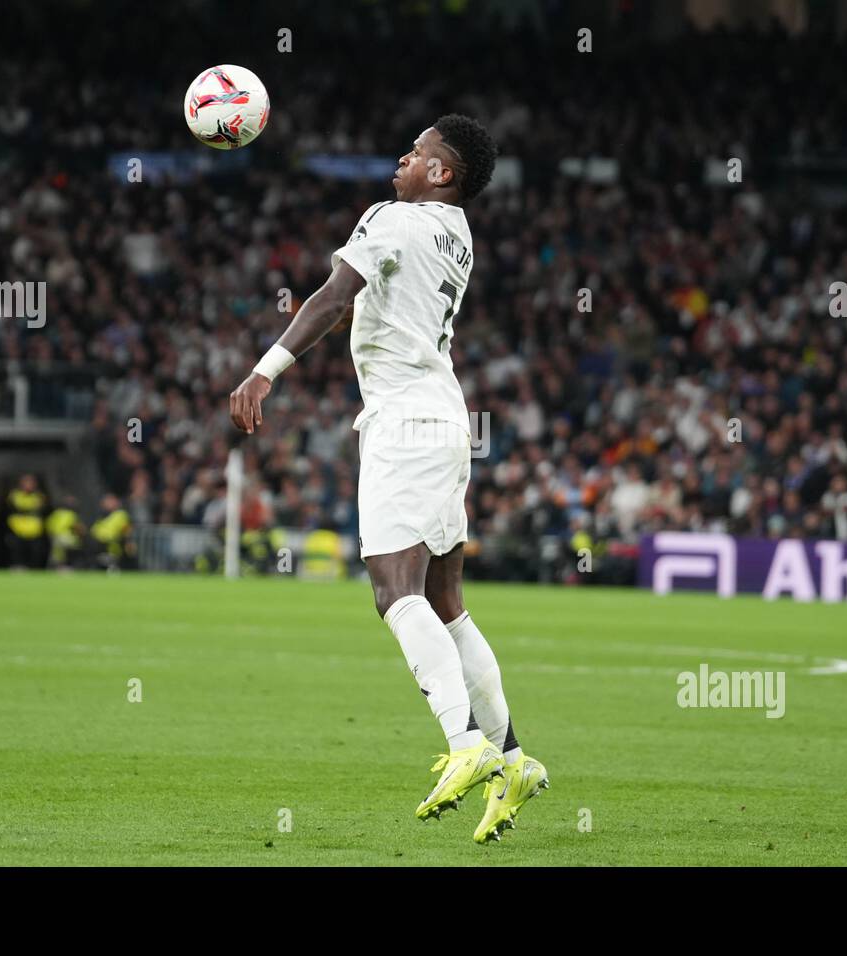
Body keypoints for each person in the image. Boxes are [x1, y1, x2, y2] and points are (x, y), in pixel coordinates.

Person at [229, 115, 547, 844]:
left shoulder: (393, 217)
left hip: (405, 424)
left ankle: (465, 743)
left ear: (443, 174)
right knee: (447, 601)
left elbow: (332, 297)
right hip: (444, 419)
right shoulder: (457, 233)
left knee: (392, 591)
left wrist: (263, 372)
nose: (402, 158)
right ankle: (511, 755)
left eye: (418, 152)